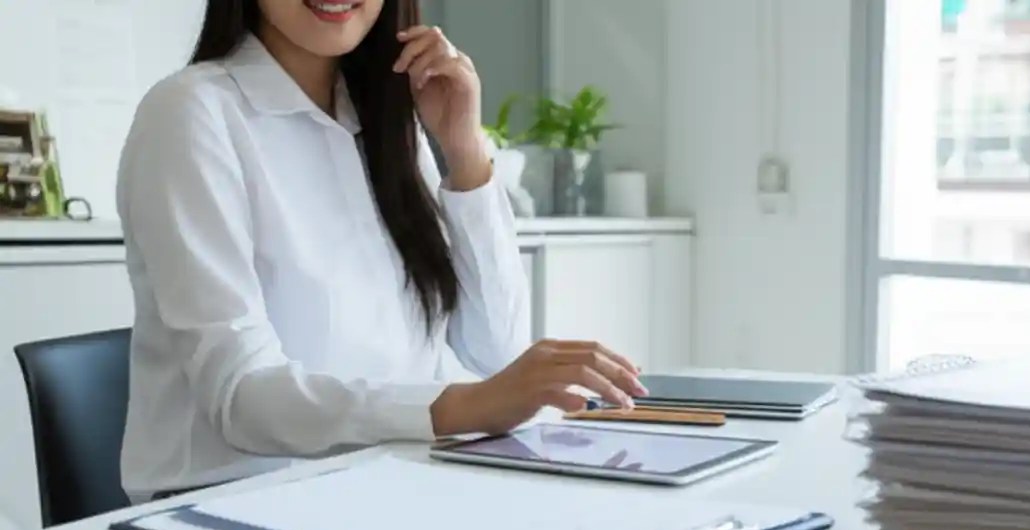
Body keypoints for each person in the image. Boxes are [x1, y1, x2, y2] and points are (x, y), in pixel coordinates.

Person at [117, 0, 646, 501]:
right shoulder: (191, 113)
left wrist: (465, 152)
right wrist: (461, 407)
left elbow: (496, 349)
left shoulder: (385, 121)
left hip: (380, 486)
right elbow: (241, 398)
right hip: (229, 506)